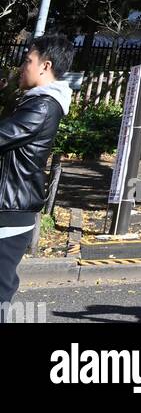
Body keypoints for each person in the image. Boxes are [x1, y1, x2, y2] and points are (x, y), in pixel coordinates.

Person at [0, 35, 74, 318]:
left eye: (27, 60)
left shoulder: (42, 106)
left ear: (46, 65)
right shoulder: (33, 102)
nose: (22, 66)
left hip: (9, 212)